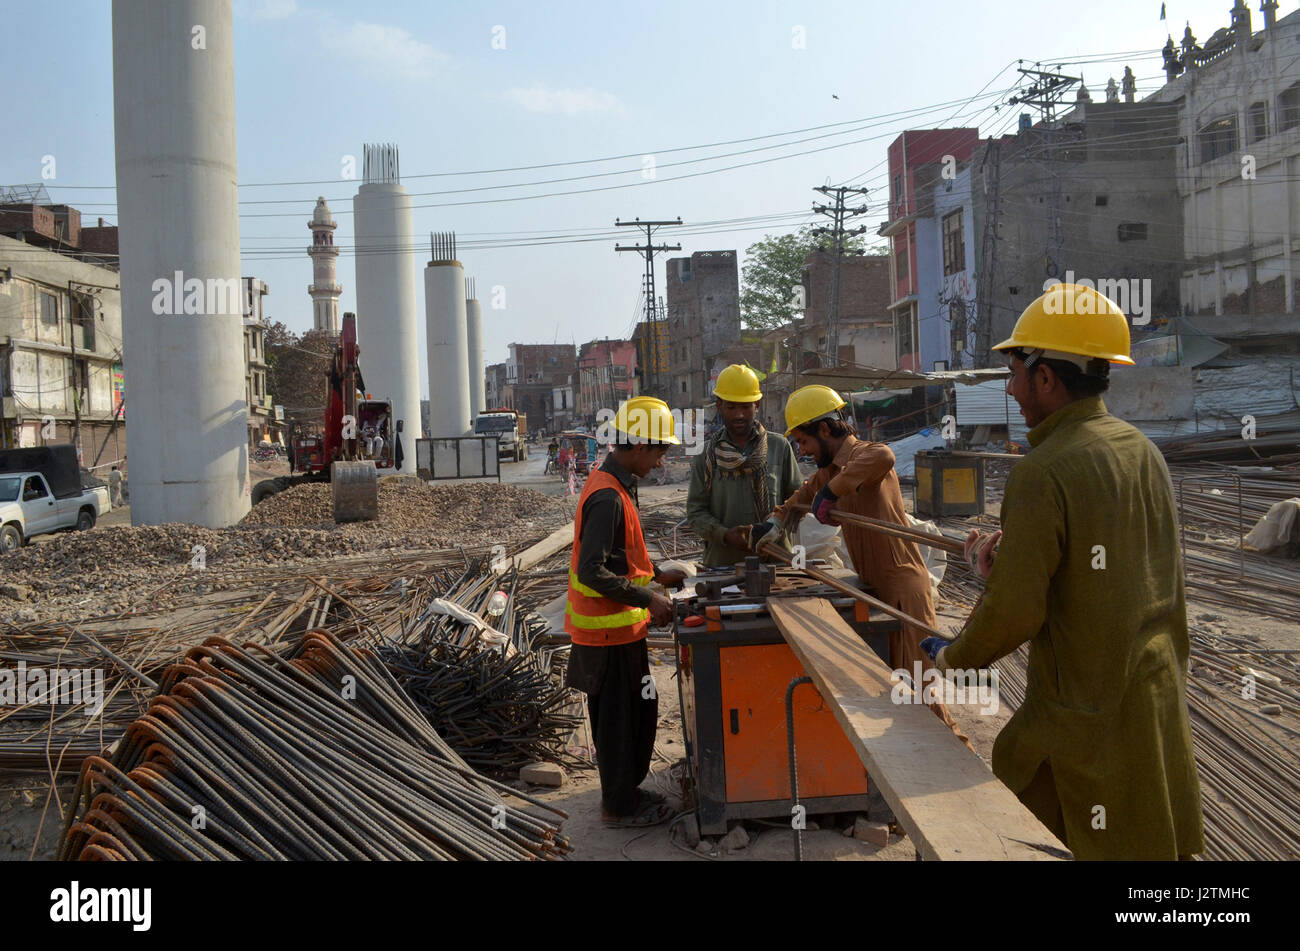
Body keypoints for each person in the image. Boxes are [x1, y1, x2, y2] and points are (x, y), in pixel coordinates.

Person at [923, 284, 1203, 860]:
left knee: (1044, 804)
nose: (1009, 388)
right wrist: (1016, 561)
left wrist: (953, 655)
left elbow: (1018, 612)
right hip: (1153, 693)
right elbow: (1117, 565)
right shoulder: (1140, 449)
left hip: (1084, 709)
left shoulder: (1044, 470)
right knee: (1147, 837)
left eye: (1014, 372)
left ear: (1046, 378)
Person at [763, 384, 973, 750]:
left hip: (904, 589)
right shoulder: (826, 472)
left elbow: (885, 457)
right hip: (874, 588)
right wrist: (776, 521)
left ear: (825, 429)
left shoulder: (866, 455)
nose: (802, 451)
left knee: (921, 694)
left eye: (804, 441)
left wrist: (833, 492)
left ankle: (961, 759)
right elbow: (800, 498)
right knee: (889, 692)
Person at [564, 397, 687, 828]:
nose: (662, 459)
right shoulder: (607, 497)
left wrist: (656, 575)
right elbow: (591, 571)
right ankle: (619, 806)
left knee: (638, 715)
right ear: (637, 445)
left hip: (623, 633)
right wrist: (649, 598)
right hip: (606, 636)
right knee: (617, 725)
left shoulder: (619, 484)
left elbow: (622, 557)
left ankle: (628, 792)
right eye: (659, 450)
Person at [687, 364, 802, 568]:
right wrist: (724, 535)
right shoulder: (705, 455)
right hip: (724, 564)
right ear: (719, 405)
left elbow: (798, 500)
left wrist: (773, 526)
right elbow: (696, 513)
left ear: (757, 405)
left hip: (776, 562)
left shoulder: (779, 447)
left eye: (745, 407)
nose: (739, 415)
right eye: (731, 407)